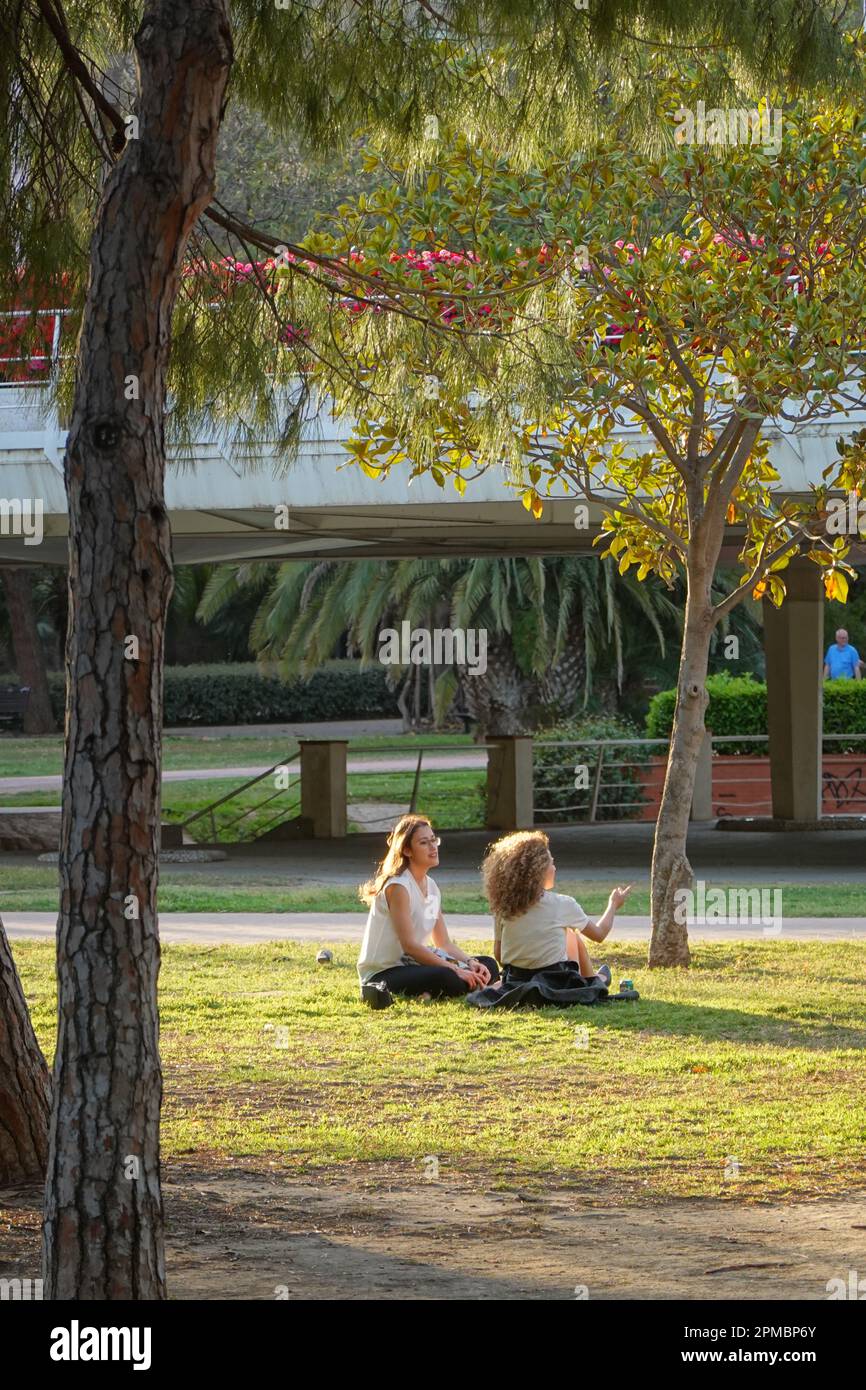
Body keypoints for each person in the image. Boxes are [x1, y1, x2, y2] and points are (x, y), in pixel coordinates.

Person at [357, 813, 500, 1004]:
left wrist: (470, 963)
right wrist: (456, 970)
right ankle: (473, 988)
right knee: (446, 977)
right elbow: (410, 946)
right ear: (407, 850)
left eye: (434, 840)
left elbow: (444, 944)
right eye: (424, 843)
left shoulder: (431, 886)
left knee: (487, 964)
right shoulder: (399, 886)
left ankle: (460, 987)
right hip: (384, 973)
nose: (433, 847)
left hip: (414, 966)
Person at [481, 829, 631, 976]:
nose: (554, 867)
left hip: (516, 981)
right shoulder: (563, 904)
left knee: (570, 934)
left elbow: (500, 956)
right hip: (555, 983)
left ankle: (594, 978)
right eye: (551, 863)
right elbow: (599, 934)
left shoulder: (503, 907)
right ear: (538, 871)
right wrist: (613, 904)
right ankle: (592, 979)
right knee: (572, 935)